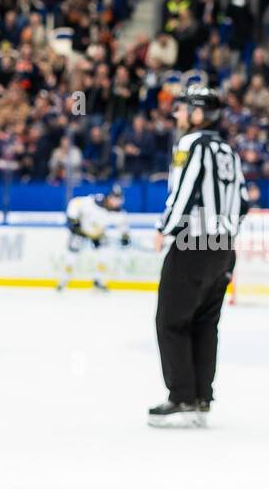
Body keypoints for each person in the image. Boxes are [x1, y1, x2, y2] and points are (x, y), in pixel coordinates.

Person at [149, 84, 250, 427]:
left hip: (193, 242)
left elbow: (184, 191)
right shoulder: (228, 150)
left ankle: (181, 397)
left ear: (196, 114)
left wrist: (165, 228)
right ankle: (201, 397)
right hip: (224, 247)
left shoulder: (191, 144)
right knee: (206, 323)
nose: (176, 114)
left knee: (171, 321)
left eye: (182, 108)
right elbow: (244, 201)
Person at [57, 184, 130, 292]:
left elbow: (123, 225)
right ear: (109, 196)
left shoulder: (119, 214)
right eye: (114, 198)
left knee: (105, 253)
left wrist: (125, 236)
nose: (116, 202)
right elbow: (75, 203)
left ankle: (98, 280)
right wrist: (73, 219)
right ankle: (64, 280)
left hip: (98, 234)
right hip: (81, 230)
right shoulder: (92, 202)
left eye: (119, 200)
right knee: (71, 255)